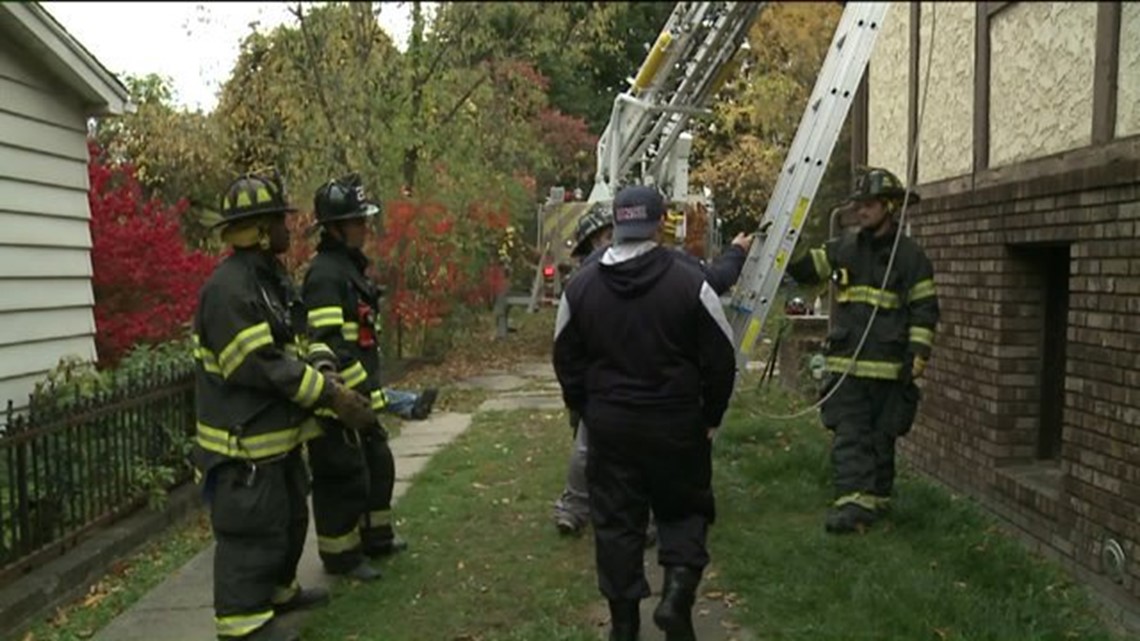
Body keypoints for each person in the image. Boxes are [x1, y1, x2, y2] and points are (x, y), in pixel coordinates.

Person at [192, 171, 377, 641]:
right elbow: (260, 364)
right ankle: (243, 625)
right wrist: (330, 395)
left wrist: (326, 368)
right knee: (251, 534)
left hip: (278, 438)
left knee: (289, 518)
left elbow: (301, 338)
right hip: (243, 447)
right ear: (257, 228)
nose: (287, 229)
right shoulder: (229, 289)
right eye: (278, 220)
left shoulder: (269, 278)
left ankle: (280, 592)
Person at [553, 185, 737, 641]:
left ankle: (623, 625)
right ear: (658, 224)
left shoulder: (580, 287)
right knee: (683, 512)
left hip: (611, 426)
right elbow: (721, 356)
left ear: (616, 224)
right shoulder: (689, 281)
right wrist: (710, 414)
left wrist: (586, 408)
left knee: (616, 523)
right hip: (677, 422)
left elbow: (564, 356)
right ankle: (676, 598)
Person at [552, 202, 752, 539]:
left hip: (602, 392)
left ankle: (577, 509)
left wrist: (580, 398)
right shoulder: (674, 268)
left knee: (591, 446)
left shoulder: (584, 279)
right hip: (658, 390)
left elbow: (565, 348)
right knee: (653, 455)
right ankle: (650, 520)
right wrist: (736, 252)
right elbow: (713, 282)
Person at [785, 166, 939, 534]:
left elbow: (924, 308)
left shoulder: (911, 257)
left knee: (882, 436)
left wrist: (919, 351)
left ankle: (877, 498)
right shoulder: (846, 248)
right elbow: (810, 269)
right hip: (849, 366)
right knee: (851, 434)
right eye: (858, 205)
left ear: (889, 206)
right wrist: (786, 246)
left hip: (889, 367)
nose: (860, 211)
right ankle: (853, 506)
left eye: (868, 205)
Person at [301, 173, 408, 583]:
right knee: (342, 477)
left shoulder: (348, 269)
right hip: (339, 401)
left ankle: (376, 538)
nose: (365, 227)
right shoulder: (326, 275)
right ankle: (341, 557)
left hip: (361, 395)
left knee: (377, 463)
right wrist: (356, 395)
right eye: (357, 220)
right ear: (334, 228)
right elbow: (329, 344)